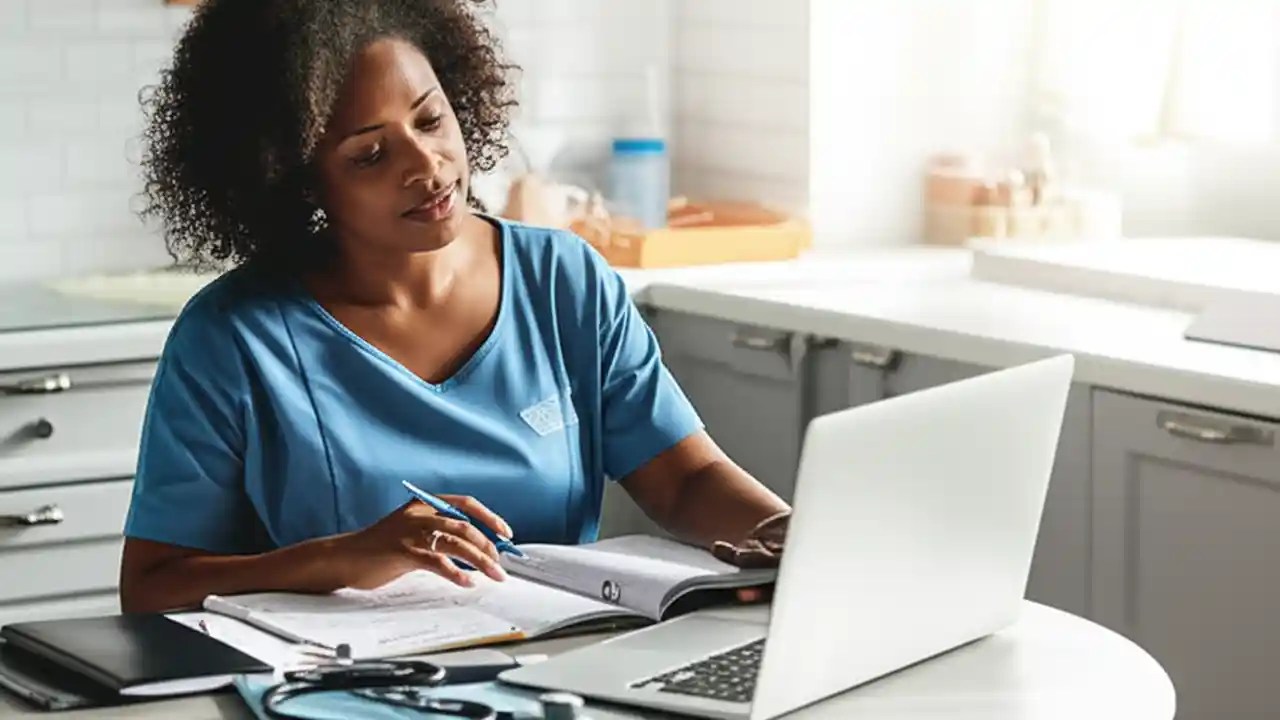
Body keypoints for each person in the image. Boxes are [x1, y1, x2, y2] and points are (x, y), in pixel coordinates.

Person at [118, 0, 790, 615]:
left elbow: (686, 478)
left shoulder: (564, 282)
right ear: (297, 181)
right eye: (371, 154)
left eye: (431, 119)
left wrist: (784, 533)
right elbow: (152, 586)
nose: (427, 165)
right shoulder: (233, 337)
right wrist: (345, 557)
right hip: (339, 687)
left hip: (561, 672)